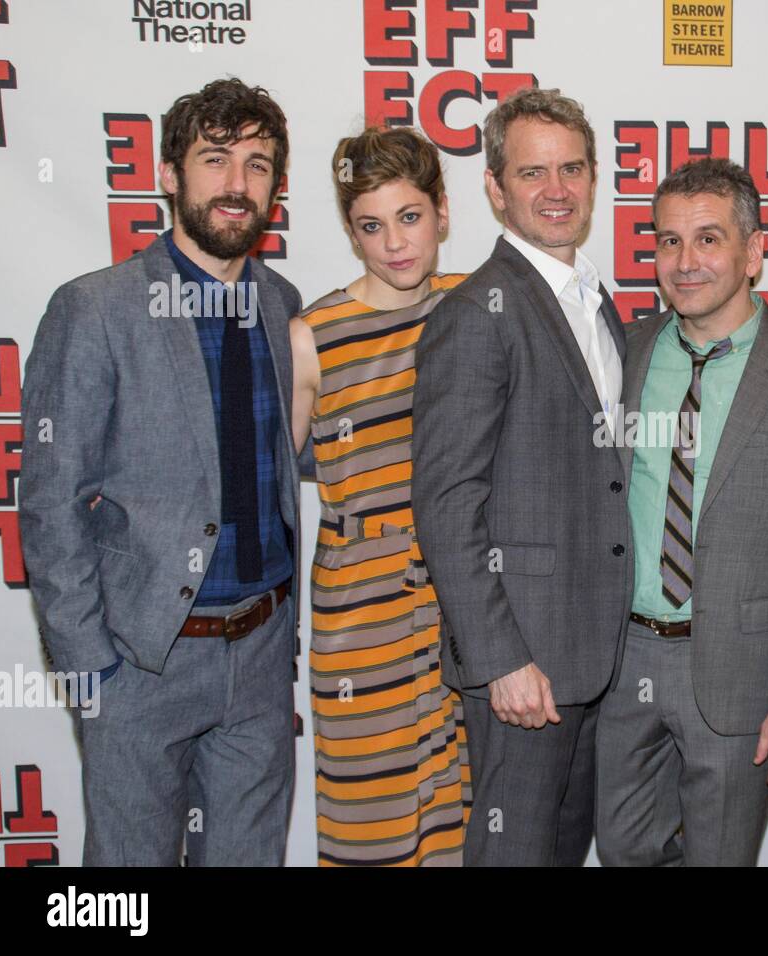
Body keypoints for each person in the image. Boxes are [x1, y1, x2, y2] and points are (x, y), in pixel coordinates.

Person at [20, 78, 303, 866]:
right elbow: (50, 503)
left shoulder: (283, 304)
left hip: (260, 653)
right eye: (215, 160)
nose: (236, 184)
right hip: (142, 660)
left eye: (258, 163)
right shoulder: (97, 309)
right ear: (169, 174)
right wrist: (93, 671)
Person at [595, 158, 768, 866]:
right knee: (623, 852)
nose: (685, 263)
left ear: (753, 252)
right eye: (669, 242)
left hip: (742, 672)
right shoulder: (626, 354)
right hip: (625, 662)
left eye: (708, 239)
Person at [411, 88, 628, 866]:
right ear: (496, 189)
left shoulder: (598, 301)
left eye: (572, 168)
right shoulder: (477, 312)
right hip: (524, 660)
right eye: (533, 172)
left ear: (594, 178)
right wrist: (499, 656)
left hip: (597, 655)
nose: (557, 189)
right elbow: (444, 502)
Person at [288, 126, 470, 866]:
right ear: (350, 232)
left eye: (409, 217)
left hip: (460, 600)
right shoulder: (314, 334)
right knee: (372, 815)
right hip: (361, 608)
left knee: (459, 812)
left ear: (443, 214)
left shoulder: (474, 306)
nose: (394, 242)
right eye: (371, 225)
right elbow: (276, 478)